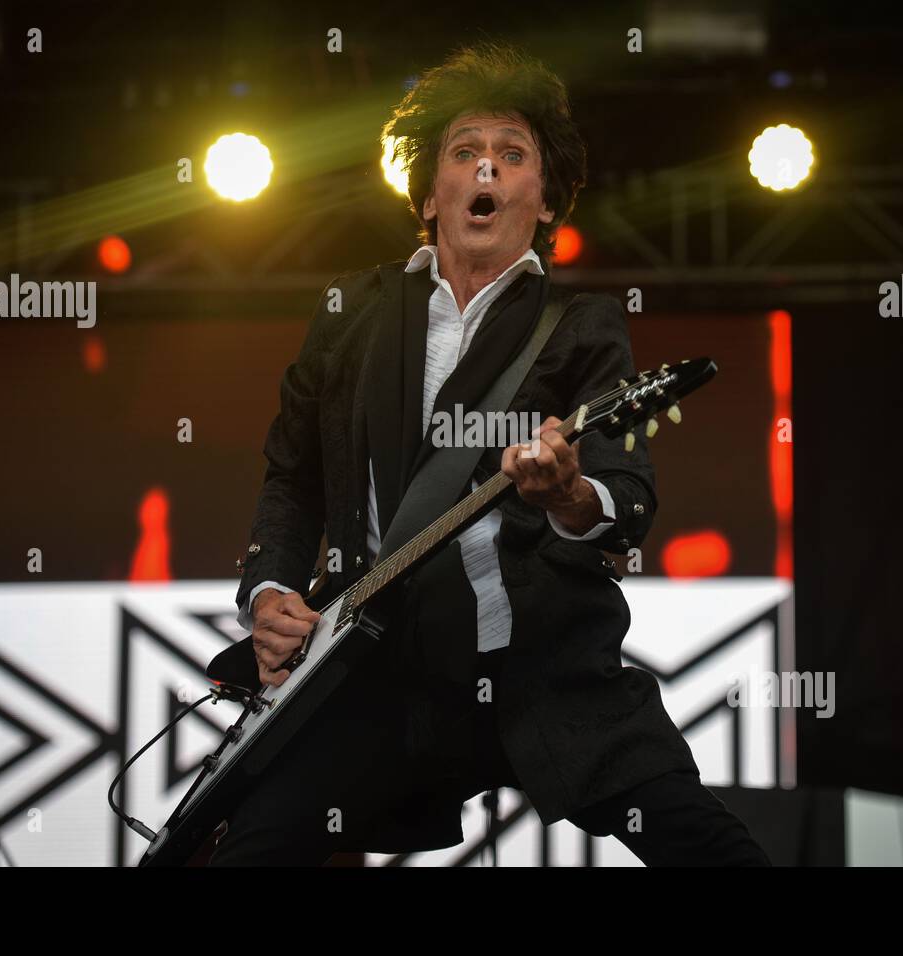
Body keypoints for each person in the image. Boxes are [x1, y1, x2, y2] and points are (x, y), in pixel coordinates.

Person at [209, 43, 770, 867]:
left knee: (711, 849)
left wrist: (567, 494)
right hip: (373, 668)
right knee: (244, 850)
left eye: (513, 157)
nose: (488, 172)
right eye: (465, 152)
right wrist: (267, 595)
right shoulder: (351, 315)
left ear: (544, 200)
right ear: (430, 191)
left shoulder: (581, 327)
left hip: (539, 666)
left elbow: (623, 491)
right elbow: (292, 478)